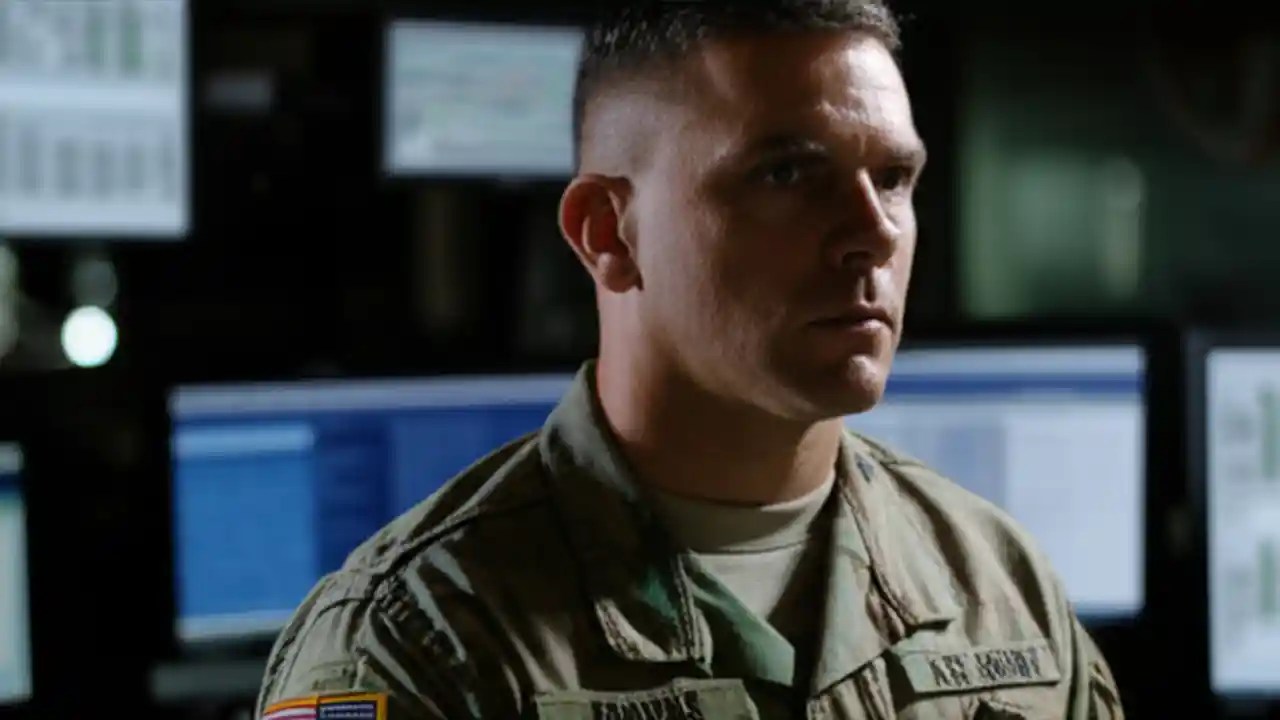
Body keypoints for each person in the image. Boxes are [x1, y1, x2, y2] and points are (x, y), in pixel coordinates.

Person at [256, 1, 1126, 718]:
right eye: (788, 175)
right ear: (609, 235)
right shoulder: (419, 639)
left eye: (894, 178)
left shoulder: (996, 585)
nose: (874, 233)